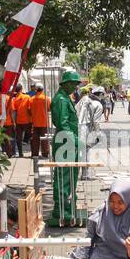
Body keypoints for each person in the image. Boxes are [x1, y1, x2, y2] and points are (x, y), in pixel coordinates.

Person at [72, 178, 130, 259]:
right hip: (100, 258)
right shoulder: (101, 213)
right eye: (112, 201)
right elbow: (87, 239)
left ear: (129, 201)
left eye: (120, 202)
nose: (115, 206)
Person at [48, 70, 81, 226]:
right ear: (66, 83)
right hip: (65, 141)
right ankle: (60, 208)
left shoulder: (65, 98)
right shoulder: (61, 99)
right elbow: (63, 123)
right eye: (73, 84)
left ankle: (65, 204)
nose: (75, 87)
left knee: (69, 174)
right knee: (64, 176)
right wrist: (75, 140)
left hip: (68, 141)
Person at [29, 83, 50, 158]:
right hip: (44, 122)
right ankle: (45, 153)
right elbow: (49, 109)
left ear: (35, 89)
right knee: (44, 139)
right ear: (42, 89)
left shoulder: (31, 99)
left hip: (35, 122)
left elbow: (29, 110)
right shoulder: (46, 98)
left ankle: (35, 154)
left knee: (35, 139)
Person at [13, 85, 32, 158]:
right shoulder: (27, 97)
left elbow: (14, 111)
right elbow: (30, 108)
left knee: (19, 138)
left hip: (18, 121)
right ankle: (33, 153)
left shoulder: (15, 99)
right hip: (27, 120)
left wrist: (14, 122)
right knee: (31, 136)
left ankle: (20, 153)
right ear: (21, 89)